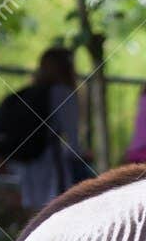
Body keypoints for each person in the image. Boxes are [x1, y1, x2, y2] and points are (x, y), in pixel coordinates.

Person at [13, 48, 92, 211]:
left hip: (26, 164)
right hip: (50, 167)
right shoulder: (63, 93)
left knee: (35, 215)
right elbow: (73, 143)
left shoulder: (32, 92)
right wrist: (83, 156)